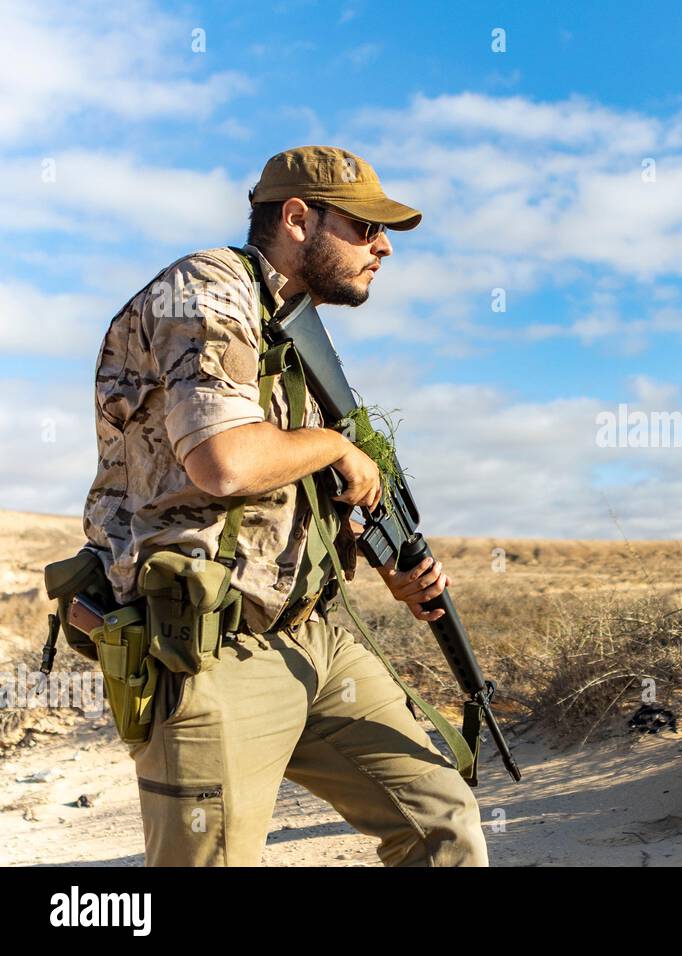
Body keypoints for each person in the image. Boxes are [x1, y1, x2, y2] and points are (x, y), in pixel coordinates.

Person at [82, 145, 488, 866]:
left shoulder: (290, 322)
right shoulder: (206, 289)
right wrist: (336, 450)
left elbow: (283, 485)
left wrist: (375, 551)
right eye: (366, 228)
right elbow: (226, 461)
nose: (384, 248)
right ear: (298, 218)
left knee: (442, 824)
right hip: (210, 646)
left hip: (319, 639)